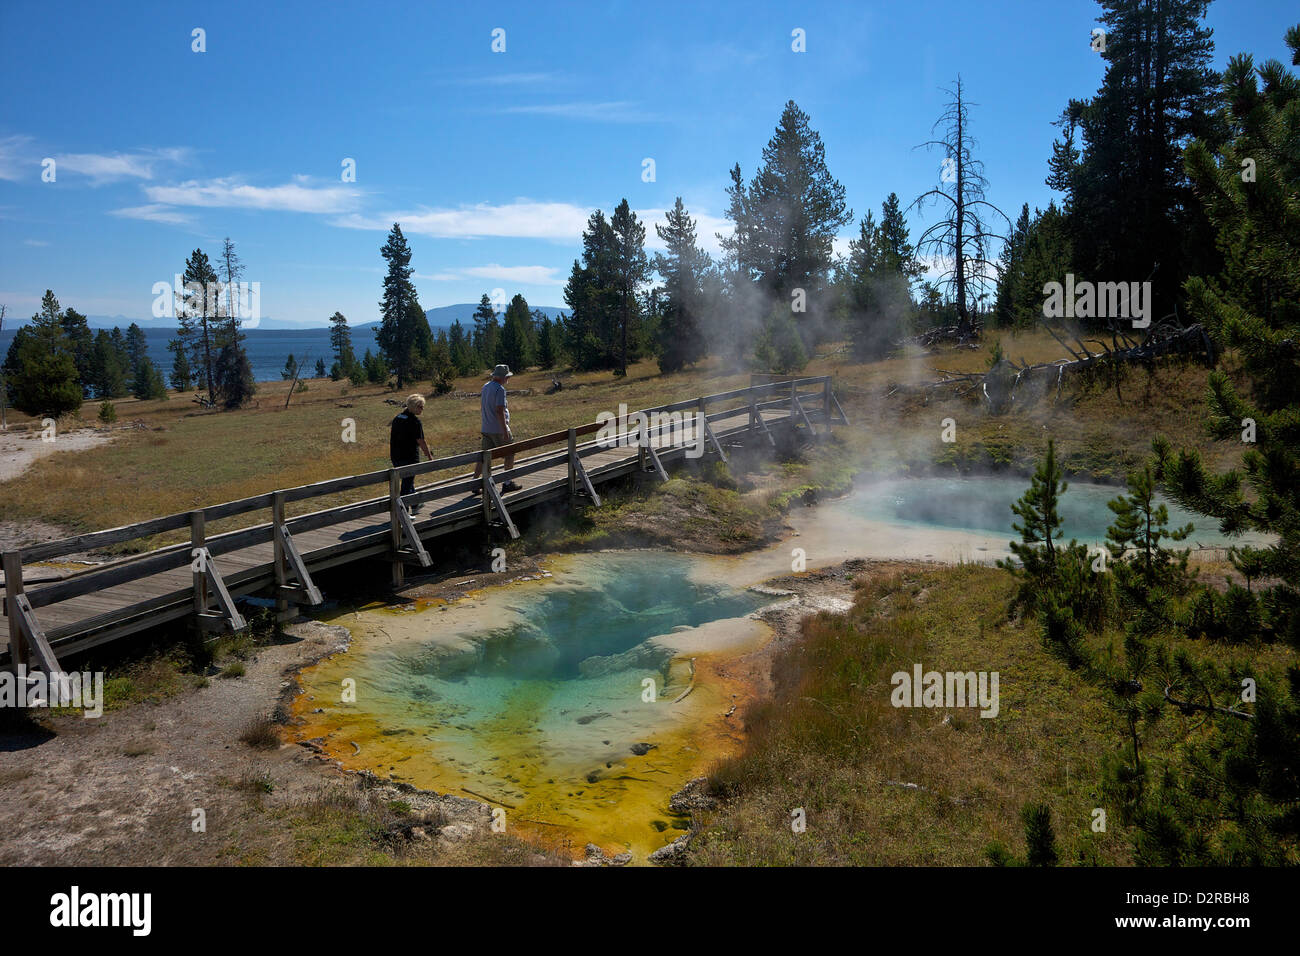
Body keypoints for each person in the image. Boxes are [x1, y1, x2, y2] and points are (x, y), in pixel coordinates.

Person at [472, 364, 521, 493]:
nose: (508, 380)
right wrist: (505, 431)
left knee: (484, 457)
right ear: (503, 377)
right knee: (510, 453)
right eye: (507, 377)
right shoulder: (500, 389)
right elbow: (499, 411)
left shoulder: (486, 386)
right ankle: (507, 482)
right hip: (498, 429)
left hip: (486, 427)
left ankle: (475, 483)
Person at [390, 393, 432, 511]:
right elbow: (421, 441)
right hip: (409, 457)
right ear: (414, 406)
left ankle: (415, 504)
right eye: (420, 407)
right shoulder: (415, 422)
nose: (422, 409)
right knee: (407, 484)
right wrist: (429, 455)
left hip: (396, 456)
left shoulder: (397, 418)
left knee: (407, 479)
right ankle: (403, 511)